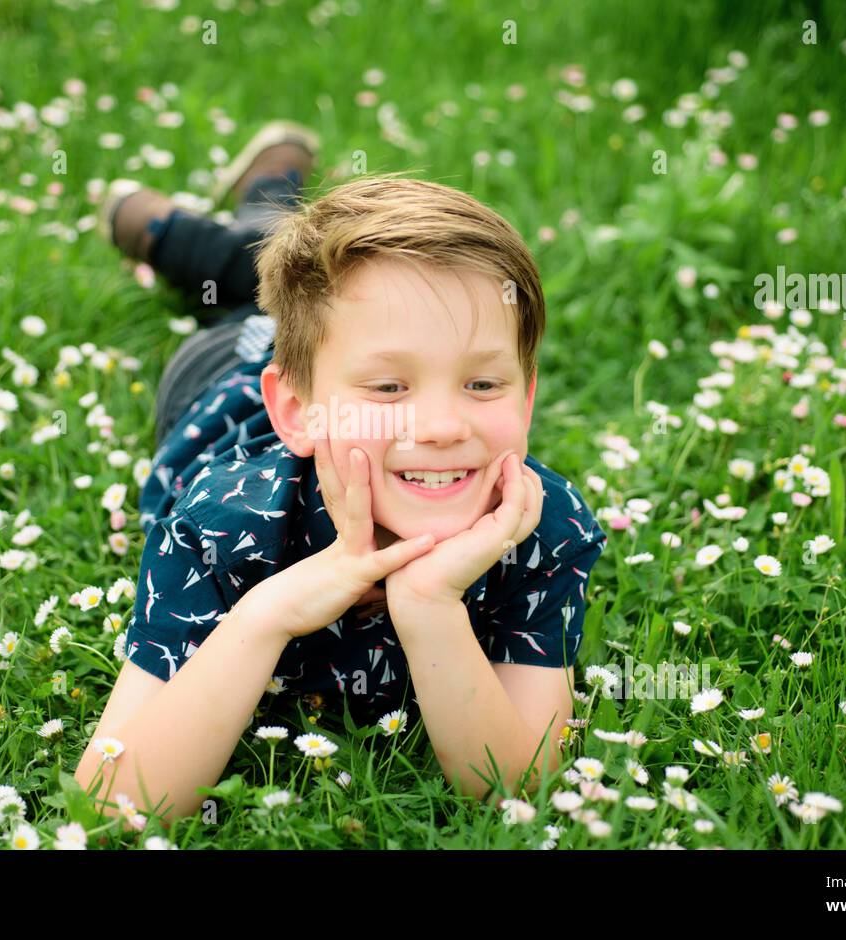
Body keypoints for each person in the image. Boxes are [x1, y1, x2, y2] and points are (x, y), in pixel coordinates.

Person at [74, 122, 607, 828]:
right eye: (390, 388)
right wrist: (268, 612)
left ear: (528, 396)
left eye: (483, 384)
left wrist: (430, 608)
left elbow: (520, 789)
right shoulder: (224, 526)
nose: (444, 425)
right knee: (251, 293)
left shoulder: (542, 525)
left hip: (315, 361)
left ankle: (252, 201)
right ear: (297, 410)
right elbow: (115, 802)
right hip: (226, 386)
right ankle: (168, 229)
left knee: (290, 285)